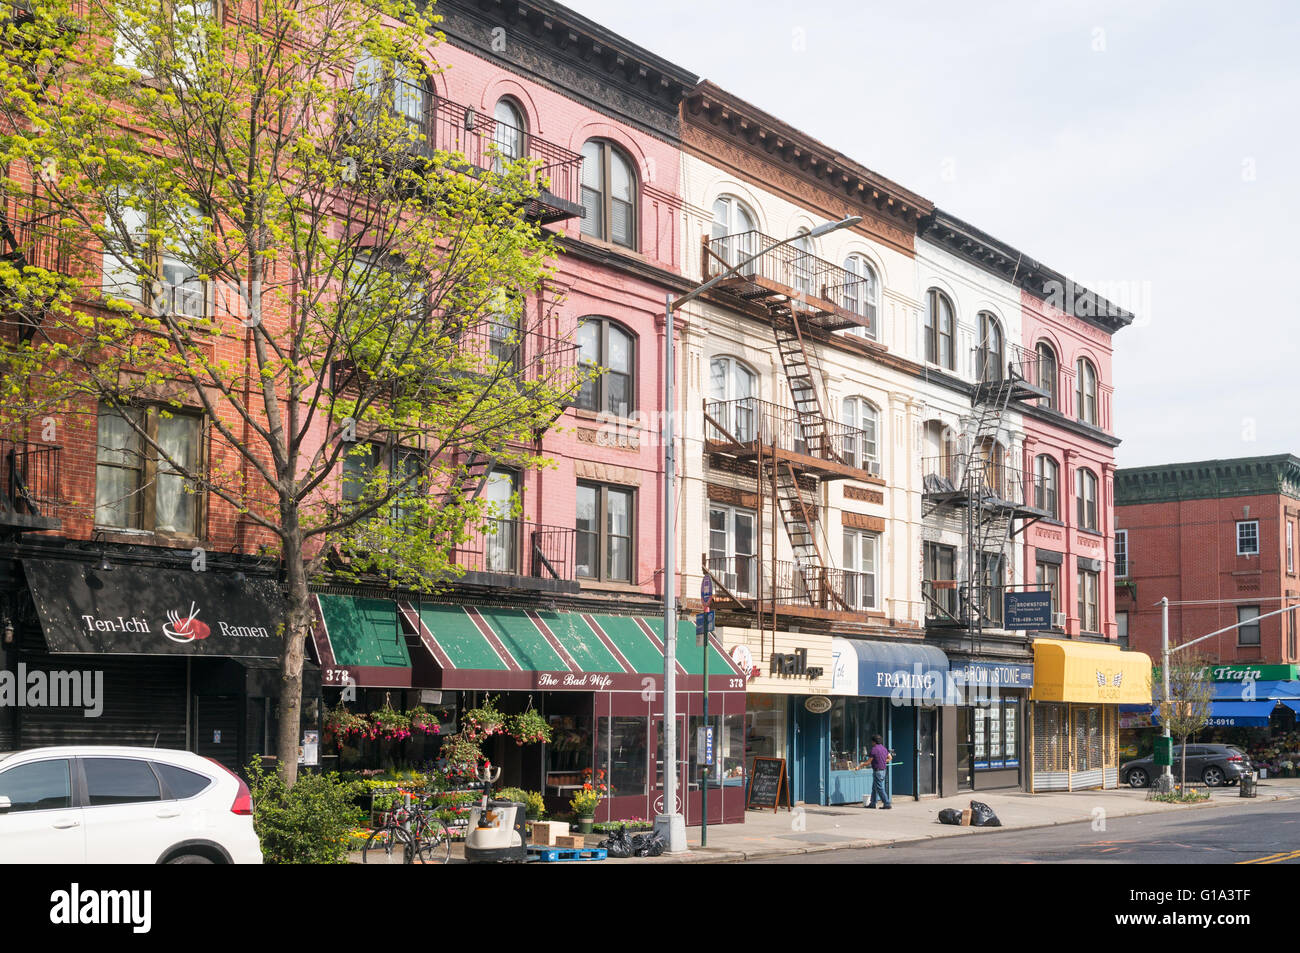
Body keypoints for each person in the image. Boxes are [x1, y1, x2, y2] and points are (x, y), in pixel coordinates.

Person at [866, 734, 892, 809]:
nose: (871, 743)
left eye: (872, 741)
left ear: (874, 742)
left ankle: (887, 803)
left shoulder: (874, 749)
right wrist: (883, 761)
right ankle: (873, 803)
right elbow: (890, 758)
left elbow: (868, 762)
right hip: (883, 770)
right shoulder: (884, 748)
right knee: (875, 787)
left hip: (877, 771)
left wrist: (861, 765)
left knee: (879, 788)